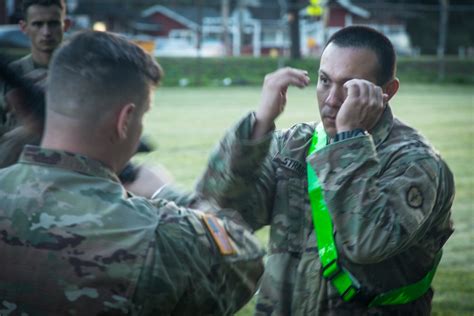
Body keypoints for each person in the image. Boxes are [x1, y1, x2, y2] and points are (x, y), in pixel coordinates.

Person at [193, 26, 455, 315]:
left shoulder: (415, 163)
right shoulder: (296, 144)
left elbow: (367, 242)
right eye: (324, 80)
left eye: (350, 86)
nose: (331, 100)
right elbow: (224, 207)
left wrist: (348, 140)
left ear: (387, 92)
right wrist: (259, 125)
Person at [0, 30, 264, 315]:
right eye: (143, 115)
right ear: (125, 120)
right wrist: (165, 192)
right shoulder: (157, 234)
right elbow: (246, 258)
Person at [0, 0, 70, 130]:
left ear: (65, 25)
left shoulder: (82, 74)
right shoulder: (12, 74)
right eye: (38, 24)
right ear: (23, 28)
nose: (46, 32)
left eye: (53, 23)